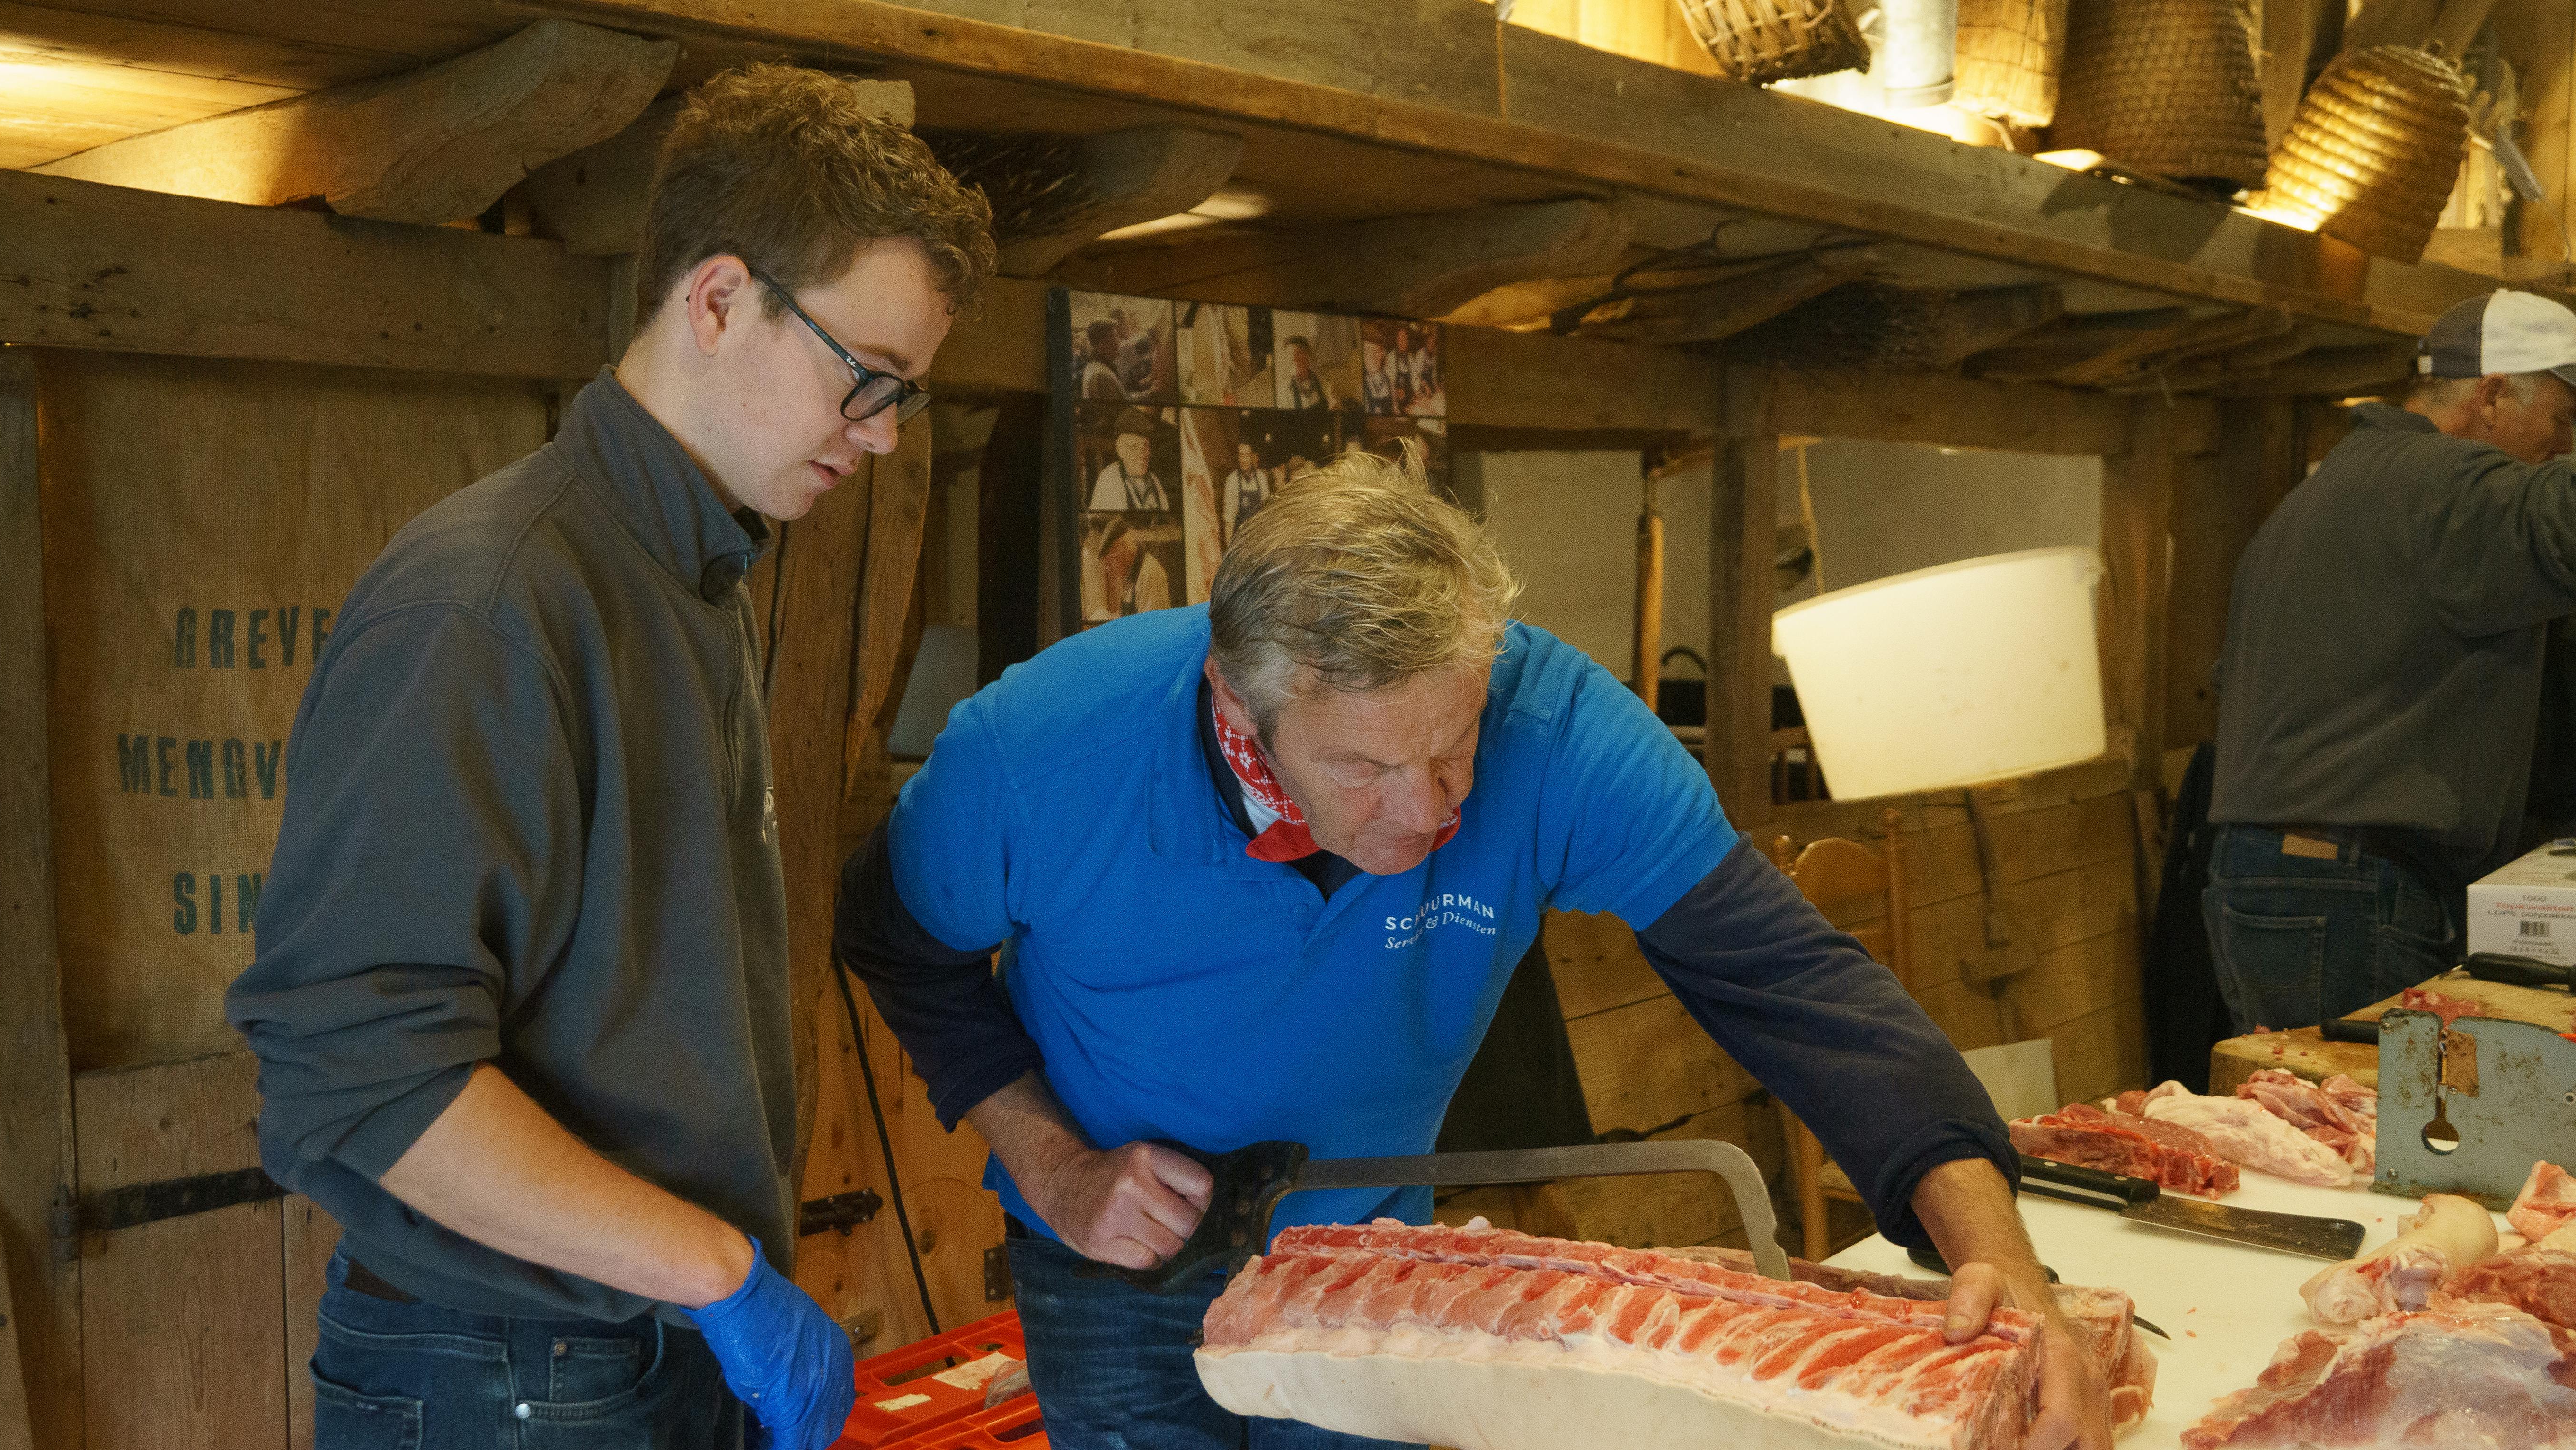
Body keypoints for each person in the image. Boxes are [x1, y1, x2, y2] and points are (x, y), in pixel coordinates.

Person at [837, 448, 2109, 1450]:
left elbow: (1792, 982)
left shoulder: (1554, 725)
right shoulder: (1039, 753)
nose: (1427, 813)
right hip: (1112, 1243)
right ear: (1243, 707)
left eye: (1452, 750)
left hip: (1371, 1249)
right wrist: (1054, 1169)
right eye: (1365, 768)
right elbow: (894, 944)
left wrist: (1997, 1257)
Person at [223, 65, 994, 1450]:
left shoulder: (688, 579)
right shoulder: (494, 602)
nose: (880, 436)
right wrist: (714, 1272)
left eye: (907, 398)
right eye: (865, 379)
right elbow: (361, 1074)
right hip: (506, 1373)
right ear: (716, 300)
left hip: (637, 1348)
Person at [2204, 288, 2576, 1032]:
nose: (2566, 445)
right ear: (2494, 395)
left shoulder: (2341, 488)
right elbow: (2561, 520)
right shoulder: (2445, 486)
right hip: (2349, 890)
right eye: (2564, 420)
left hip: (2285, 879)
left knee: (2318, 1129)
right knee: (2380, 1137)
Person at [1089, 407, 1170, 511]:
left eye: (1146, 446)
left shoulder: (1153, 479)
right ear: (1121, 450)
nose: (1143, 453)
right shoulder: (1110, 478)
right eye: (1135, 446)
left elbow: (1165, 513)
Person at [1222, 440, 1272, 545]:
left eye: (1247, 456)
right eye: (1241, 455)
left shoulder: (1261, 478)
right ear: (1238, 457)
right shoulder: (1232, 480)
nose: (1244, 460)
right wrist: (1229, 549)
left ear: (1252, 457)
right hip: (1240, 539)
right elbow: (1229, 521)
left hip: (1259, 537)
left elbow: (1267, 512)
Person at [1079, 320, 1128, 401]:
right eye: (1114, 337)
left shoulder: (1095, 366)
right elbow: (1119, 411)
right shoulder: (1101, 376)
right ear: (1102, 345)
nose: (1118, 342)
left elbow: (1125, 398)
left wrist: (1150, 392)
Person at [1281, 334, 1333, 409]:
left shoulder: (1325, 383)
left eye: (1298, 354)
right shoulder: (1283, 393)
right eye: (1290, 355)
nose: (1294, 359)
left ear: (1307, 356)